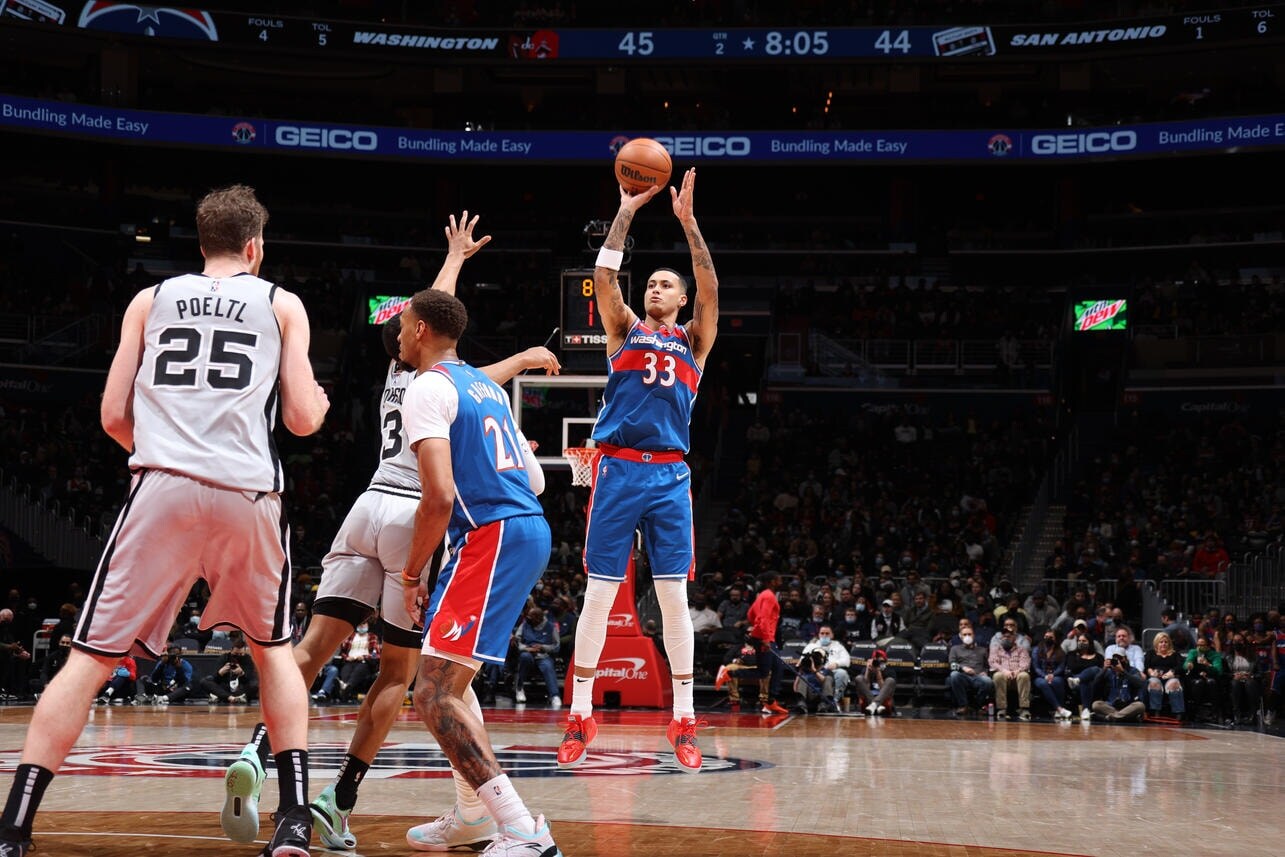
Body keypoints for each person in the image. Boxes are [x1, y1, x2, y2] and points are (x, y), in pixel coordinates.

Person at [0, 185, 329, 857]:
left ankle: (12, 828)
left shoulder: (150, 300)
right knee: (272, 653)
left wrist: (169, 460)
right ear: (255, 247)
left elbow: (113, 417)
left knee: (88, 661)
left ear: (201, 243)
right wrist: (319, 403)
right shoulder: (280, 303)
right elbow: (299, 418)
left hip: (162, 489)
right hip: (246, 491)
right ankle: (294, 821)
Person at [222, 213, 559, 852]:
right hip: (417, 518)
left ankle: (259, 749)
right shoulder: (445, 380)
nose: (405, 325)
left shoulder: (403, 377)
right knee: (409, 676)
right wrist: (513, 342)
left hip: (368, 504)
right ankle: (342, 797)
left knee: (316, 646)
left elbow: (437, 317)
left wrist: (455, 259)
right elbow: (443, 324)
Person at [559, 169, 720, 774]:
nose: (655, 288)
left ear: (678, 302)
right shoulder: (622, 330)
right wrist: (626, 209)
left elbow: (709, 287)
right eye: (650, 282)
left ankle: (684, 719)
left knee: (673, 598)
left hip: (669, 477)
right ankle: (580, 712)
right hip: (618, 471)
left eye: (664, 284)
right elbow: (603, 276)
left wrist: (688, 223)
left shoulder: (695, 341)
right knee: (599, 595)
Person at [395, 288, 561, 855]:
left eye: (402, 325)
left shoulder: (425, 387)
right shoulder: (485, 388)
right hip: (523, 526)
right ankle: (473, 817)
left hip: (491, 533)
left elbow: (438, 496)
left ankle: (523, 829)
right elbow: (536, 480)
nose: (397, 334)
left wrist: (412, 572)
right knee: (453, 686)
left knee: (433, 694)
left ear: (420, 331)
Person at [514, 606, 562, 707]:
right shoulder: (525, 625)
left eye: (531, 617)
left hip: (543, 655)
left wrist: (543, 647)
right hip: (528, 652)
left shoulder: (550, 627)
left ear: (538, 618)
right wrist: (526, 648)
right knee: (524, 657)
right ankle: (519, 689)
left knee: (548, 666)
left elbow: (556, 646)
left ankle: (554, 695)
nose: (528, 618)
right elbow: (517, 640)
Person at [796, 624, 850, 713]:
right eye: (822, 633)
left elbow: (847, 660)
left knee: (842, 673)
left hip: (831, 672)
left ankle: (833, 701)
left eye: (827, 633)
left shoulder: (838, 646)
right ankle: (802, 703)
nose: (824, 635)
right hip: (813, 673)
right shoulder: (811, 646)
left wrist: (837, 664)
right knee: (803, 675)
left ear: (832, 635)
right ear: (818, 635)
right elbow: (802, 661)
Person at [947, 626, 993, 716]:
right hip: (963, 676)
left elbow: (989, 665)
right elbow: (951, 665)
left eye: (969, 634)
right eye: (965, 634)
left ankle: (977, 706)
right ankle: (963, 705)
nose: (967, 636)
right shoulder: (955, 649)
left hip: (978, 676)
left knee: (988, 681)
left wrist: (986, 672)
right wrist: (962, 668)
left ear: (974, 635)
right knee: (954, 675)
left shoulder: (982, 650)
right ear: (960, 636)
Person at [990, 626, 1032, 720]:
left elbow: (1026, 664)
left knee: (1024, 675)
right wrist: (1004, 671)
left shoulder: (1021, 650)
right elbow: (993, 662)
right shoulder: (996, 650)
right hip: (1003, 677)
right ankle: (1002, 709)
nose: (1006, 638)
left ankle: (1024, 708)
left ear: (1015, 638)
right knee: (998, 675)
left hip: (1017, 678)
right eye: (1004, 636)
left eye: (1008, 636)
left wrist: (1017, 671)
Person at [202, 637, 259, 704]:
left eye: (241, 654)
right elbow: (215, 678)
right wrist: (220, 672)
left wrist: (242, 673)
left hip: (240, 688)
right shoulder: (224, 657)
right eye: (235, 654)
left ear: (245, 651)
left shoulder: (248, 659)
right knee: (205, 681)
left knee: (255, 684)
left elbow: (248, 679)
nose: (238, 656)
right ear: (231, 650)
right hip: (224, 687)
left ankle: (221, 697)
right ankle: (232, 698)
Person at [1142, 631, 1185, 718]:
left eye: (1166, 642)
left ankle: (1178, 712)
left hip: (1170, 677)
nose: (1163, 644)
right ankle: (1155, 711)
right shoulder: (1151, 653)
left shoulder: (1175, 654)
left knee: (1174, 683)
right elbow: (1147, 666)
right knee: (1154, 683)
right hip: (1155, 677)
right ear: (1157, 643)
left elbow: (1181, 666)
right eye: (1161, 642)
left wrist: (1172, 672)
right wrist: (1152, 673)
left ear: (1169, 643)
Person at [1033, 630, 1072, 719]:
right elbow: (1036, 667)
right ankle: (1059, 709)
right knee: (1043, 683)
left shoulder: (1060, 651)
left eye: (1050, 637)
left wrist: (1053, 675)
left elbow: (1061, 667)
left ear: (1056, 639)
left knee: (1058, 681)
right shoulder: (1037, 649)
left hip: (1055, 675)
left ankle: (1059, 709)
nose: (1048, 639)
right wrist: (1045, 676)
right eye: (1046, 637)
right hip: (1040, 676)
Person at [852, 648, 897, 716]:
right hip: (868, 697)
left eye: (881, 661)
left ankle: (874, 705)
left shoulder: (890, 671)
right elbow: (865, 688)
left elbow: (883, 689)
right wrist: (867, 670)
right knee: (859, 678)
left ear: (885, 661)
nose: (879, 663)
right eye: (877, 661)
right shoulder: (867, 669)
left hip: (883, 698)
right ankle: (876, 705)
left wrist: (878, 672)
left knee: (890, 680)